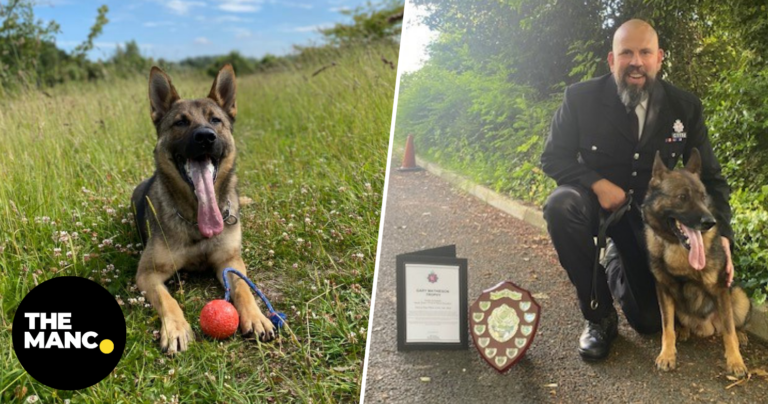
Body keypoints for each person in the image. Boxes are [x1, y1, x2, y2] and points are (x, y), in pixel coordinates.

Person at [540, 19, 734, 362]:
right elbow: (554, 157)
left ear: (659, 58)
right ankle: (598, 317)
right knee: (560, 206)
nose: (636, 62)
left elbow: (712, 180)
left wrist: (724, 236)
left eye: (645, 52)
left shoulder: (684, 107)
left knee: (648, 321)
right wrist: (597, 184)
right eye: (626, 53)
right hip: (594, 204)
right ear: (612, 60)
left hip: (648, 223)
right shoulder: (580, 98)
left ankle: (616, 261)